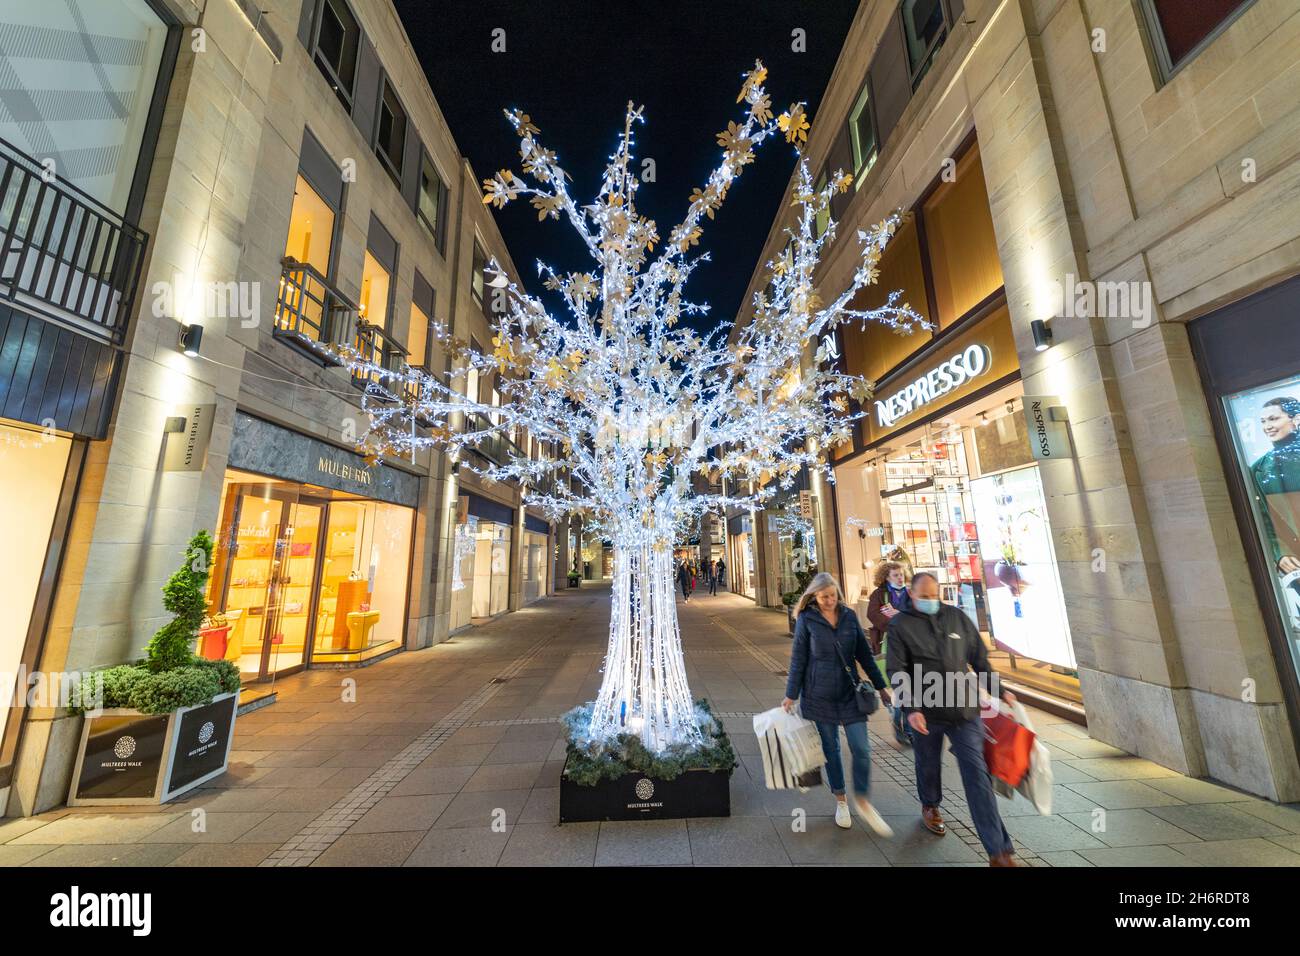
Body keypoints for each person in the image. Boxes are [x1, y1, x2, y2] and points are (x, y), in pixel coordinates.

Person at [886, 571, 1018, 866]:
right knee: (928, 764)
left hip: (964, 711)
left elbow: (979, 659)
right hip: (926, 712)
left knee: (977, 775)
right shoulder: (900, 625)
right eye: (924, 597)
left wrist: (1000, 691)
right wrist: (911, 709)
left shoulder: (957, 618)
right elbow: (896, 669)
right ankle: (930, 804)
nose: (930, 601)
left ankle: (998, 851)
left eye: (934, 595)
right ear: (911, 593)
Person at [782, 572, 894, 836]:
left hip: (849, 693)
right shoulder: (807, 620)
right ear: (814, 596)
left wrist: (881, 686)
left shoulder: (848, 616)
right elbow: (798, 659)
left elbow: (864, 655)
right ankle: (841, 800)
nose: (829, 601)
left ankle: (863, 798)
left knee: (861, 748)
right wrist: (791, 694)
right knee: (830, 749)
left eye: (833, 595)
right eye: (824, 597)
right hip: (818, 694)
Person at [866, 561, 912, 745]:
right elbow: (874, 615)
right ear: (886, 577)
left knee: (908, 687)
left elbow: (915, 615)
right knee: (899, 686)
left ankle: (907, 728)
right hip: (889, 645)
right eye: (895, 575)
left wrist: (897, 614)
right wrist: (897, 620)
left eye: (901, 574)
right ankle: (899, 722)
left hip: (910, 645)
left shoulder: (911, 592)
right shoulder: (879, 595)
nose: (900, 578)